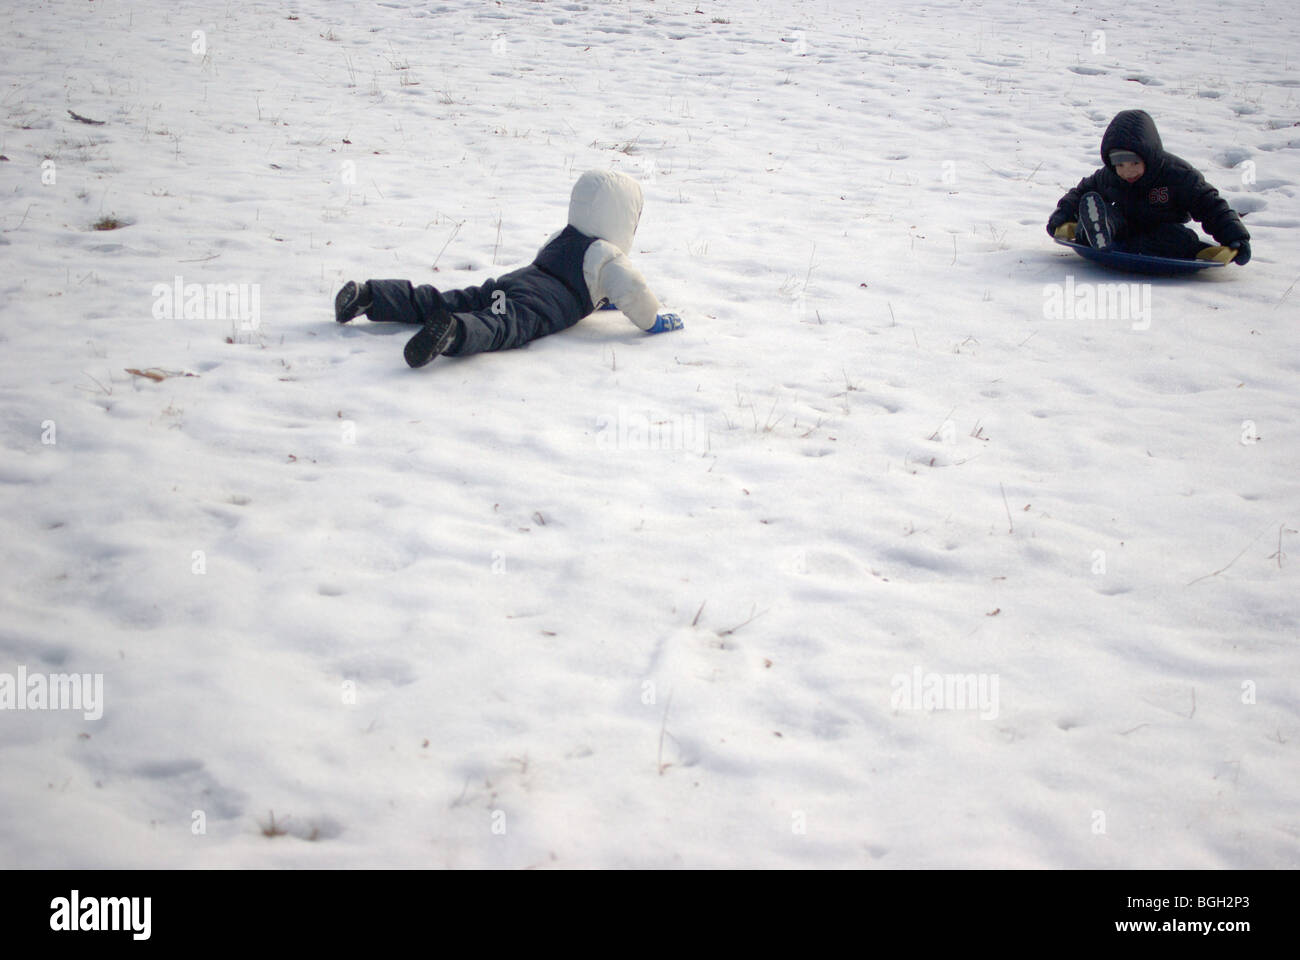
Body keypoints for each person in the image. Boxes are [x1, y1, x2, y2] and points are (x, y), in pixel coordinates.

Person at [334, 169, 683, 367]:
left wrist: (601, 298)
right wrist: (654, 320)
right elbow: (633, 290)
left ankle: (371, 296)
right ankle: (454, 332)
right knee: (502, 323)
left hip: (514, 282)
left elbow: (599, 284)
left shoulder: (563, 235)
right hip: (543, 303)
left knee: (458, 298)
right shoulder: (608, 256)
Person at [1047, 109, 1251, 264]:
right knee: (1106, 214)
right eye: (1120, 165)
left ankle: (1114, 241)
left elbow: (1209, 205)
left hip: (1160, 228)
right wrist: (1061, 217)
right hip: (1121, 225)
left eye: (1135, 163)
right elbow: (1081, 192)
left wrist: (1235, 238)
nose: (1128, 172)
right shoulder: (1109, 176)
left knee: (1180, 239)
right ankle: (1095, 230)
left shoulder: (1177, 174)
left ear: (1149, 157)